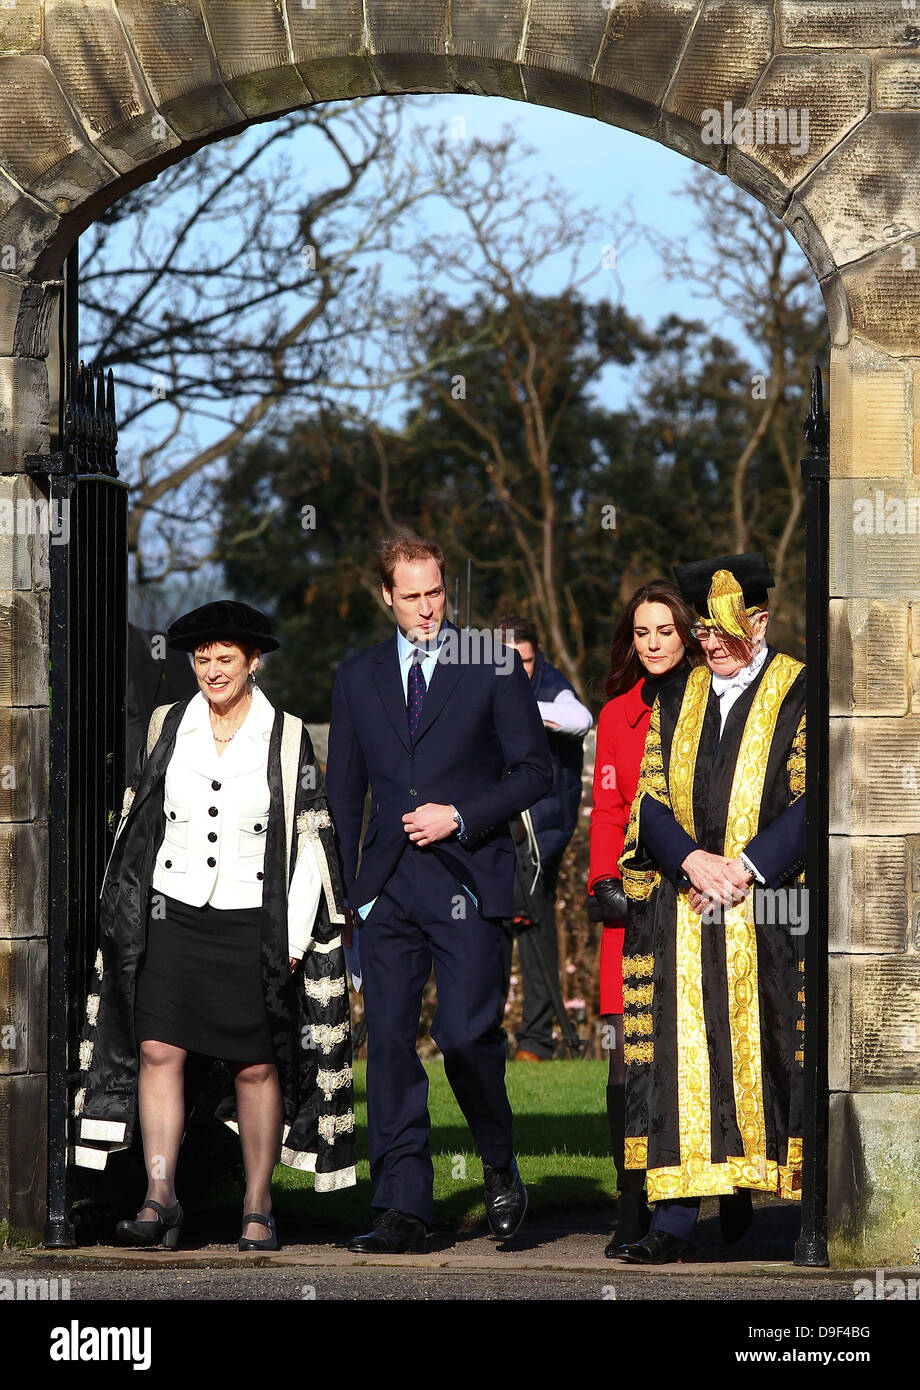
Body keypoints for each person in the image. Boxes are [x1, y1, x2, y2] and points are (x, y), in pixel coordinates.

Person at [73, 600, 356, 1251]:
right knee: (157, 1051)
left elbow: (312, 841)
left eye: (224, 658)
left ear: (252, 661)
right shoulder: (167, 725)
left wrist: (288, 945)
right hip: (172, 915)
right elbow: (140, 820)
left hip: (251, 924)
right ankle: (159, 1196)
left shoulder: (286, 736)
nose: (211, 671)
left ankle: (258, 1206)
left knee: (255, 1066)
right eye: (201, 659)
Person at [326, 536, 552, 1253]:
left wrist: (460, 814)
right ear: (386, 597)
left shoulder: (490, 663)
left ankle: (497, 1163)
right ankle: (402, 1207)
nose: (427, 609)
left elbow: (533, 772)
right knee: (388, 1041)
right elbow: (343, 793)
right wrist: (351, 897)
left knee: (462, 1035)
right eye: (413, 596)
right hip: (388, 889)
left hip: (468, 876)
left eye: (437, 594)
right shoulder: (357, 676)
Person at [613, 554, 806, 1264]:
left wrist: (747, 868)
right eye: (704, 632)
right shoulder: (678, 696)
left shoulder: (800, 691)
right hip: (687, 909)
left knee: (776, 1052)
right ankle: (673, 1219)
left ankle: (786, 1205)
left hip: (769, 912)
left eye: (726, 630)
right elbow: (648, 800)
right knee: (676, 1058)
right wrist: (692, 860)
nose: (711, 644)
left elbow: (812, 796)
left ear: (760, 621)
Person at [588, 582, 700, 1255]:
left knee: (686, 1058)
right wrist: (604, 877)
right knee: (624, 1065)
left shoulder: (708, 704)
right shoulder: (614, 716)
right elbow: (606, 807)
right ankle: (630, 1197)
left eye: (664, 631)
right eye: (642, 633)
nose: (653, 644)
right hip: (627, 906)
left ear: (685, 634)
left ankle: (686, 1204)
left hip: (690, 900)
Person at [498, 614, 592, 1061]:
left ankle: (535, 1041)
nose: (519, 671)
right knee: (489, 931)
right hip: (491, 829)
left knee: (533, 927)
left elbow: (579, 719)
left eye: (527, 662)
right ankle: (486, 1035)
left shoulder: (551, 684)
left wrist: (522, 710)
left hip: (536, 838)